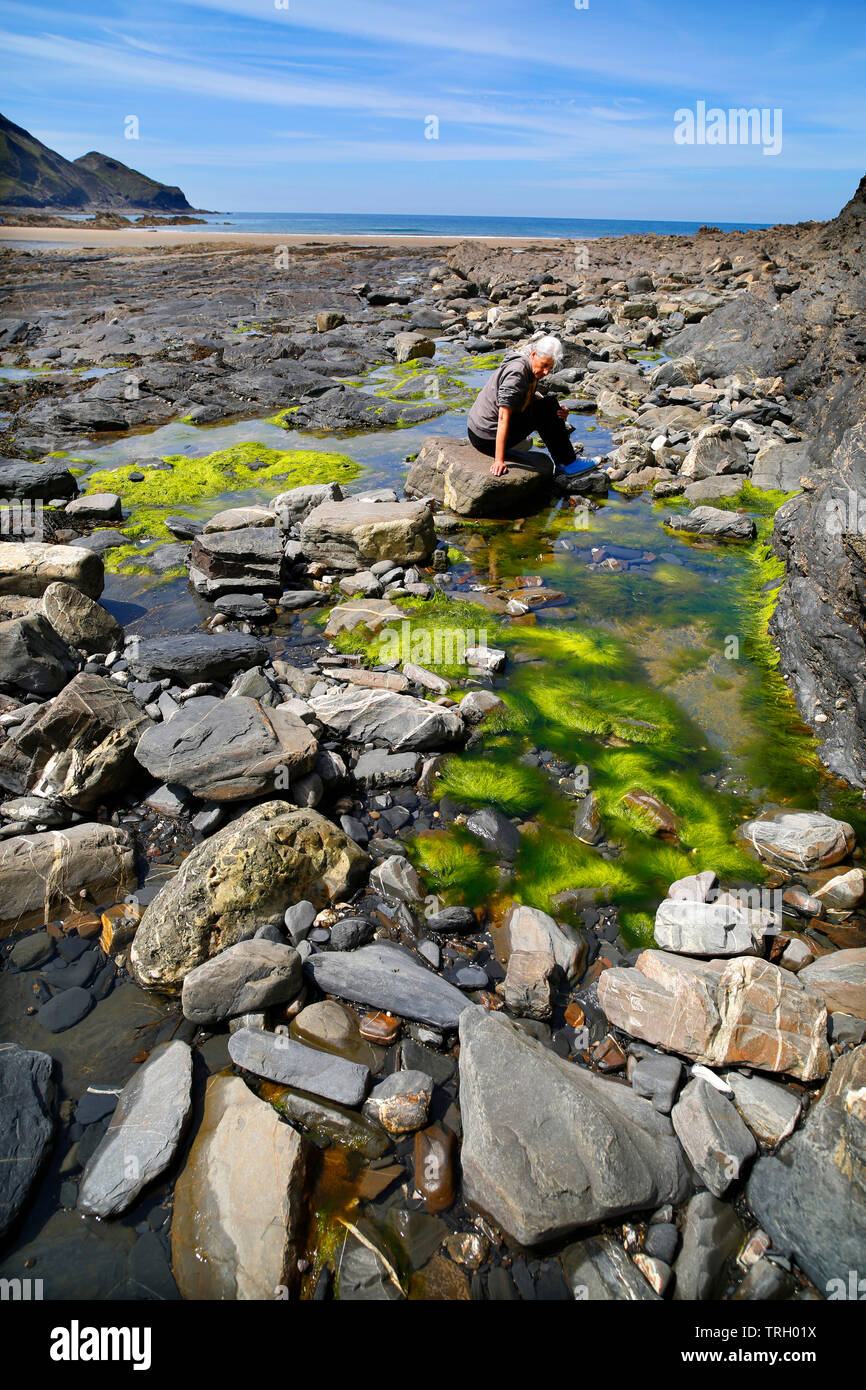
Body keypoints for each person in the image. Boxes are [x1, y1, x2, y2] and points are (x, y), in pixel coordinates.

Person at [467, 334, 576, 477]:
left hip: (478, 430)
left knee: (550, 404)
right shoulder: (517, 374)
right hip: (486, 439)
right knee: (548, 407)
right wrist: (499, 460)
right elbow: (502, 416)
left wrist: (558, 411)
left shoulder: (526, 363)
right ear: (534, 354)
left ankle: (565, 461)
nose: (546, 372)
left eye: (550, 367)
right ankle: (568, 463)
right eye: (544, 365)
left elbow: (527, 396)